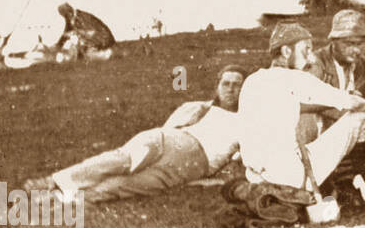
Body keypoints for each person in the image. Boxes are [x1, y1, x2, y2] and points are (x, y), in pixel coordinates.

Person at [23, 64, 249, 202]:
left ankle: (53, 201)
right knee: (124, 160)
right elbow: (166, 128)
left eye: (237, 85)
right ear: (217, 86)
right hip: (169, 140)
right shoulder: (197, 106)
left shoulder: (246, 122)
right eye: (226, 83)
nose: (230, 89)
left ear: (245, 89)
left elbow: (243, 158)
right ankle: (55, 181)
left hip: (194, 165)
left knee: (122, 186)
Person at [237, 23, 365, 191]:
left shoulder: (253, 80)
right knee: (359, 118)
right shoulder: (293, 78)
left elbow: (295, 108)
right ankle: (355, 182)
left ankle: (344, 182)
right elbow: (353, 102)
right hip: (290, 175)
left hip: (255, 175)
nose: (310, 58)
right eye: (306, 50)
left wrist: (322, 107)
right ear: (286, 51)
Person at [303, 9, 365, 182]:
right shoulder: (316, 64)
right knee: (362, 118)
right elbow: (307, 102)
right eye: (349, 43)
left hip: (351, 133)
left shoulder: (360, 65)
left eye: (360, 44)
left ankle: (360, 180)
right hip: (318, 139)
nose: (356, 50)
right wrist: (355, 108)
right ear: (334, 41)